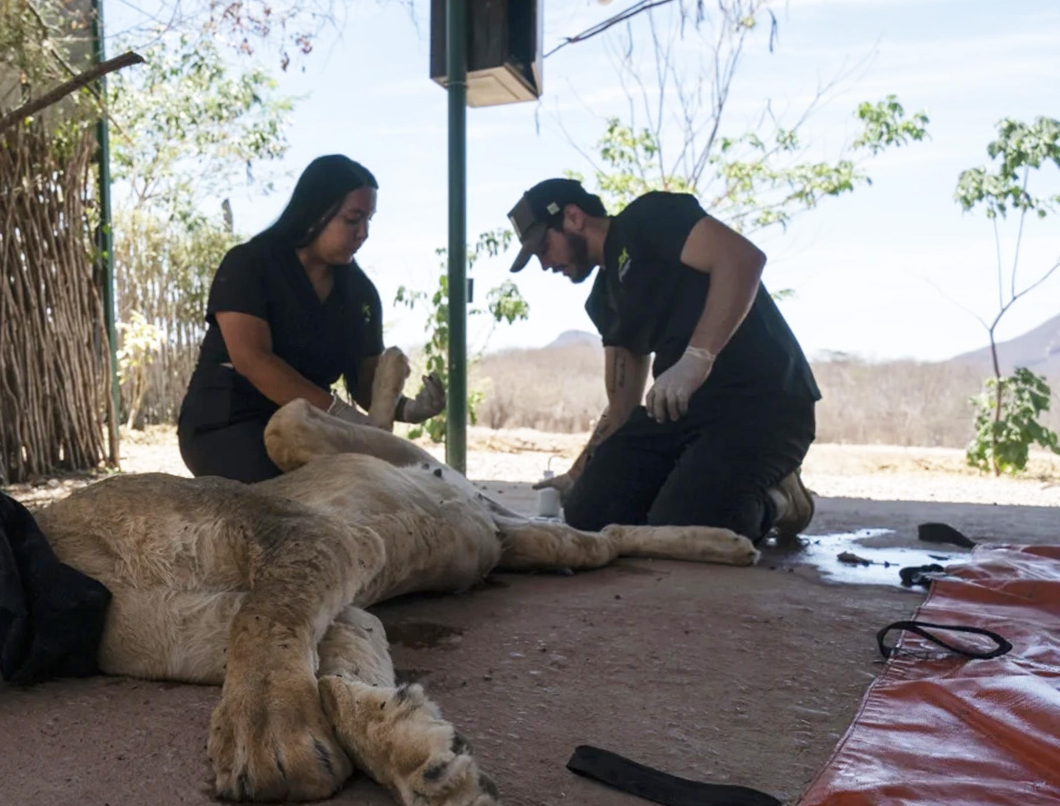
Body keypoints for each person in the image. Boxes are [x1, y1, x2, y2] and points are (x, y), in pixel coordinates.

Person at [505, 178, 819, 543]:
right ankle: (689, 488)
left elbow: (743, 259)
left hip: (763, 402)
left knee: (693, 519)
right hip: (682, 412)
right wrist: (577, 475)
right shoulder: (604, 299)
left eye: (543, 246)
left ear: (573, 217)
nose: (544, 265)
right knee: (589, 511)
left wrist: (696, 360)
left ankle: (783, 500)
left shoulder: (648, 218)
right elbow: (621, 406)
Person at [177, 154, 445, 483]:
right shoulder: (249, 265)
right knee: (299, 496)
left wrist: (405, 409)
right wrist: (339, 415)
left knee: (384, 486)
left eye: (369, 220)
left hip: (313, 428)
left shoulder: (359, 293)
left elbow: (366, 382)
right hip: (229, 422)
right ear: (317, 211)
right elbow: (252, 359)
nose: (364, 233)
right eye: (352, 219)